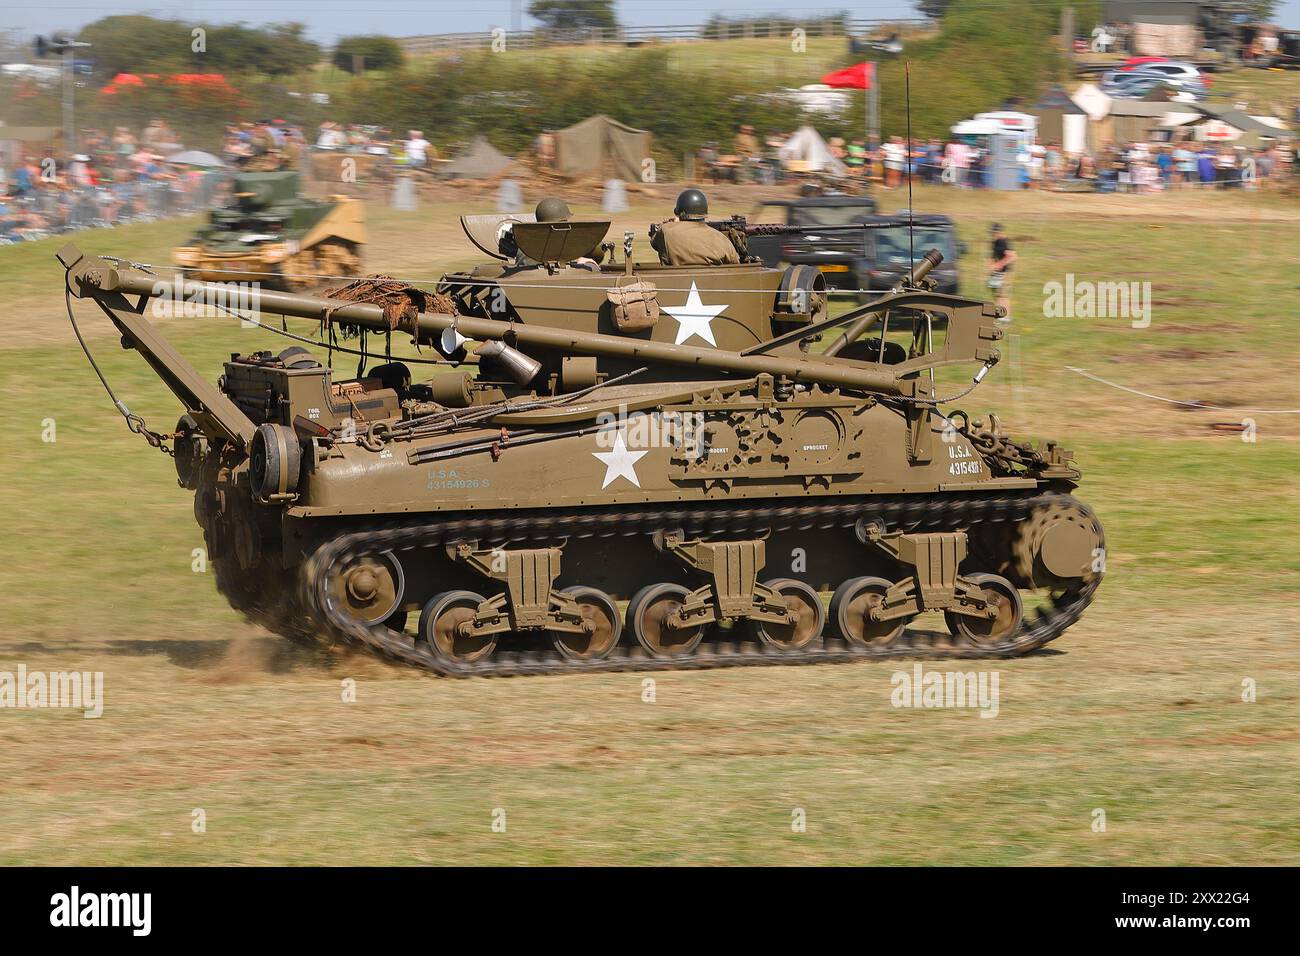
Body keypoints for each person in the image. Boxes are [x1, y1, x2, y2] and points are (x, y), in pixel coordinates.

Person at [650, 189, 740, 267]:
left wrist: (672, 225)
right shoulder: (722, 240)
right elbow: (735, 265)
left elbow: (655, 244)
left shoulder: (666, 231)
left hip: (675, 284)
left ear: (678, 213)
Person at [987, 223, 1017, 323]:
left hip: (1005, 272)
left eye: (994, 232)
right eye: (991, 233)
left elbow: (1012, 256)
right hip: (997, 273)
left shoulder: (1004, 242)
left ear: (999, 231)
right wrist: (991, 267)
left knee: (1002, 294)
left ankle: (1006, 316)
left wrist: (999, 264)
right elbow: (992, 255)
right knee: (996, 293)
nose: (992, 234)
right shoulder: (995, 242)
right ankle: (1000, 315)